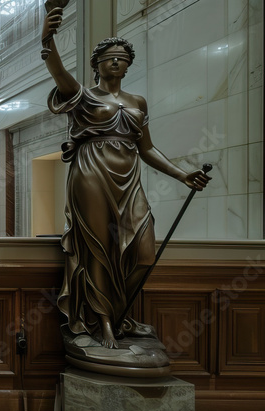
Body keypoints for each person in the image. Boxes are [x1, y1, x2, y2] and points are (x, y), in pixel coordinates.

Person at [41, 7, 210, 350]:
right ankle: (103, 323)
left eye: (122, 58)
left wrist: (182, 175)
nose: (116, 62)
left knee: (144, 252)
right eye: (109, 57)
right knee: (99, 248)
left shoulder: (138, 102)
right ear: (97, 64)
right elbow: (57, 70)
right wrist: (47, 37)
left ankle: (118, 313)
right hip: (90, 173)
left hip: (129, 177)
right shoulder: (83, 96)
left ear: (129, 64)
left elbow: (147, 149)